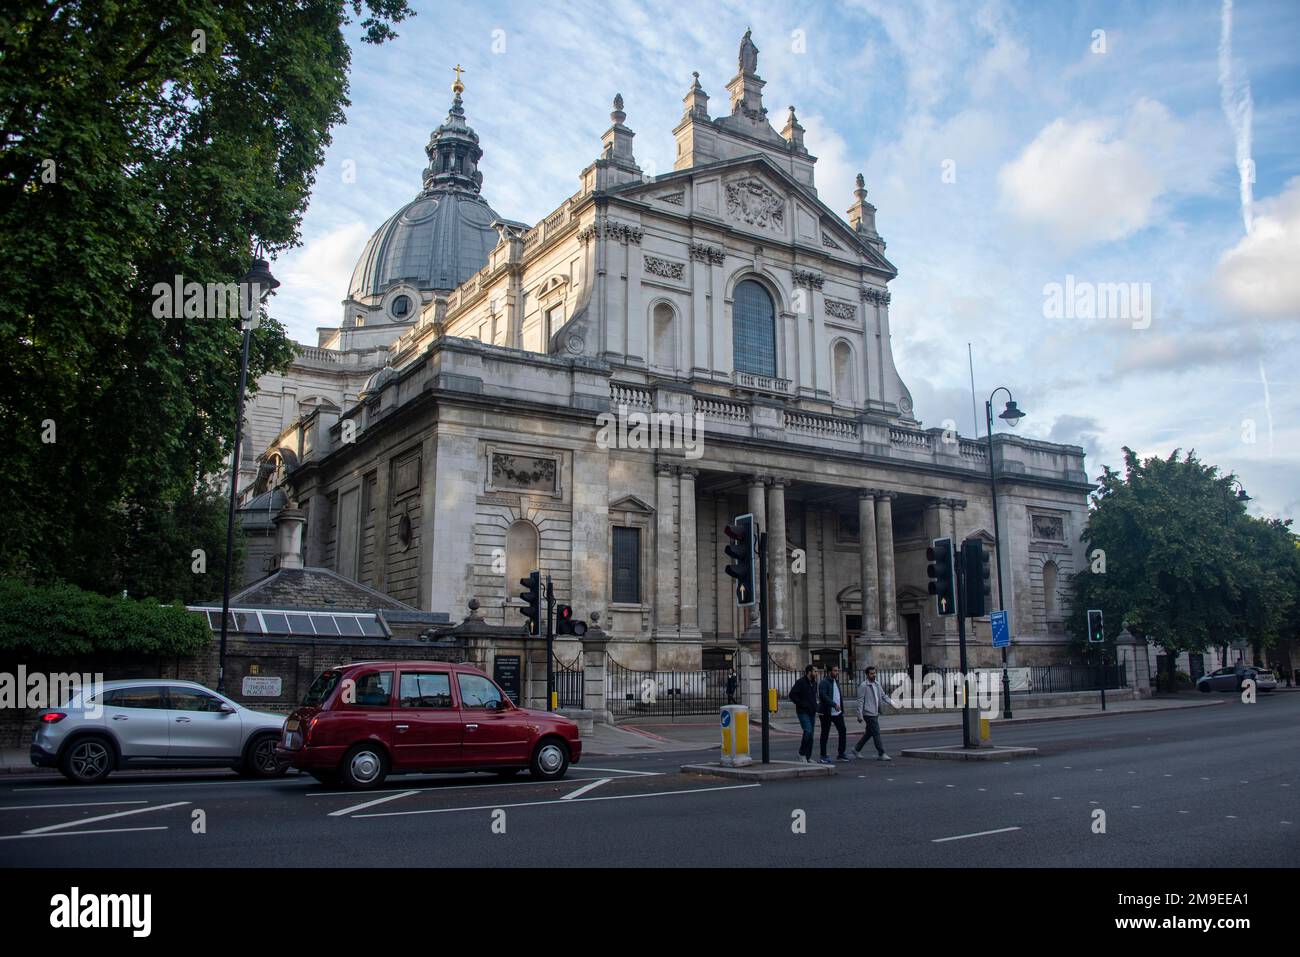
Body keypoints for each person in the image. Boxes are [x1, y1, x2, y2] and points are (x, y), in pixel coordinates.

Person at [853, 665, 892, 761]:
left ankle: (856, 749)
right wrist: (859, 715)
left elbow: (883, 696)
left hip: (875, 712)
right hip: (868, 713)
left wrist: (892, 702)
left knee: (869, 732)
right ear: (867, 675)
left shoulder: (877, 684)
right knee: (876, 732)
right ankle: (881, 753)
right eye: (871, 673)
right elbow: (860, 701)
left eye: (874, 673)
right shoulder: (863, 685)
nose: (873, 675)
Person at [817, 664, 849, 764]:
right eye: (835, 671)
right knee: (825, 733)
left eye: (837, 670)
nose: (837, 672)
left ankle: (841, 753)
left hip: (837, 712)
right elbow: (823, 696)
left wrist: (841, 708)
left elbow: (838, 695)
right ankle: (823, 755)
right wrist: (833, 704)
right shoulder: (824, 682)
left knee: (842, 730)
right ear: (829, 671)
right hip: (826, 712)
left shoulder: (836, 681)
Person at [788, 665, 818, 763]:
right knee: (808, 731)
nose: (816, 673)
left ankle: (808, 756)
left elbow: (813, 697)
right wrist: (801, 704)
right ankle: (801, 753)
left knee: (811, 735)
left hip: (812, 712)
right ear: (809, 672)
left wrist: (815, 707)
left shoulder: (814, 683)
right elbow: (792, 694)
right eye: (815, 671)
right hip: (803, 712)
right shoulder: (801, 682)